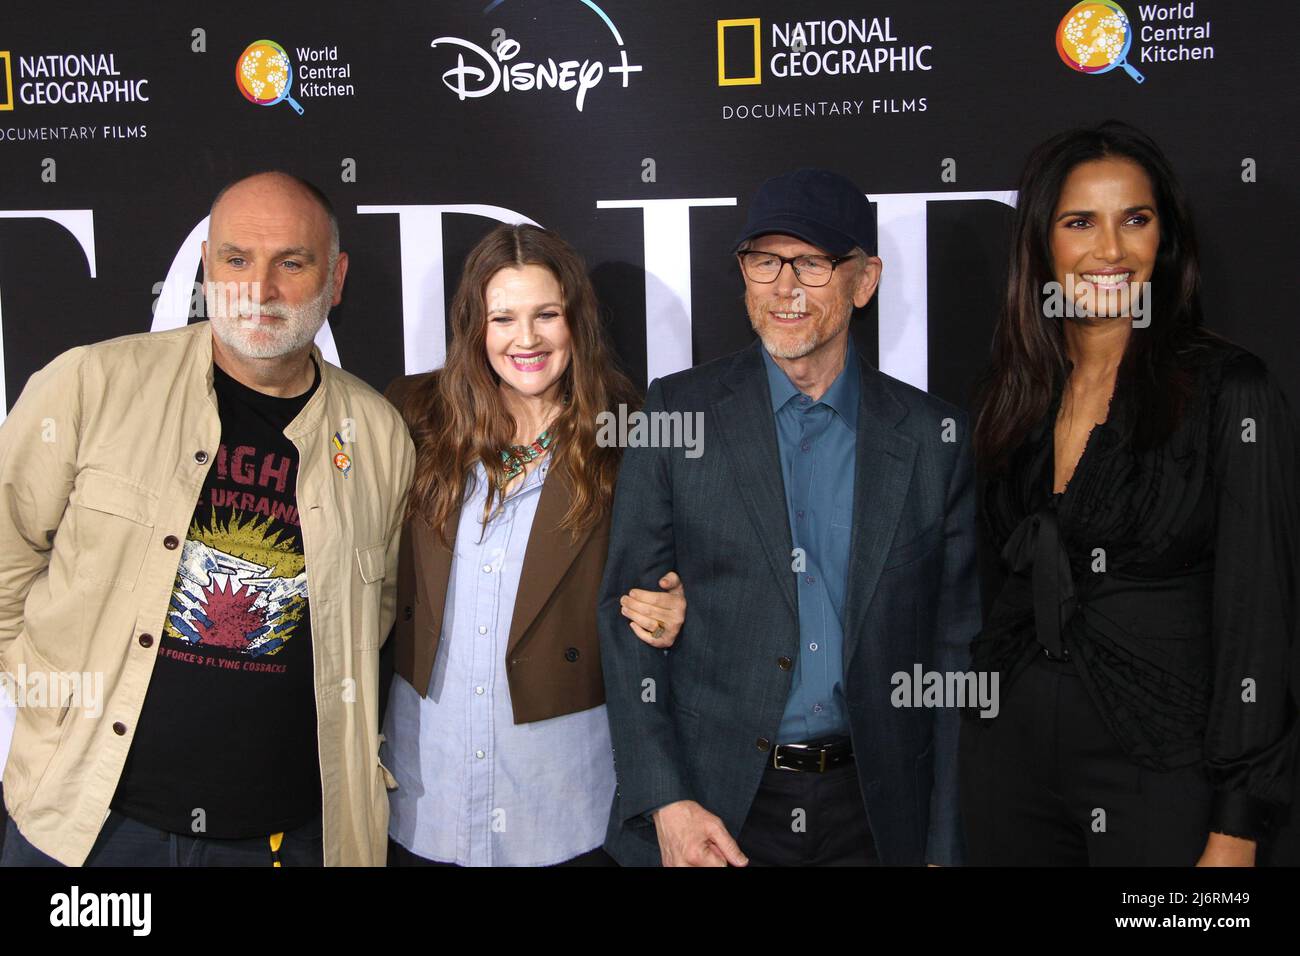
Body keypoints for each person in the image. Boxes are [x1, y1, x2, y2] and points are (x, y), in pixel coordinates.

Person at [0, 171, 414, 866]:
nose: (260, 290)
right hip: (89, 827)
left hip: (288, 837)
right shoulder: (89, 386)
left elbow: (380, 616)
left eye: (292, 262)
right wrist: (50, 698)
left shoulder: (377, 435)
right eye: (236, 260)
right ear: (205, 268)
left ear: (334, 278)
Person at [599, 168, 981, 866]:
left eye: (811, 261)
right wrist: (667, 800)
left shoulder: (934, 440)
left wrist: (943, 843)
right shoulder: (677, 414)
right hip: (719, 806)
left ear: (864, 281)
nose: (785, 286)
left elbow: (955, 655)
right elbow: (629, 623)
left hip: (878, 809)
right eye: (764, 260)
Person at [962, 121, 1299, 866]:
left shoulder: (1229, 392)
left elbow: (1259, 620)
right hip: (1007, 761)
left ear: (1166, 239)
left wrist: (1238, 823)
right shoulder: (1013, 399)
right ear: (1042, 245)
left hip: (1165, 768)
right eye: (1080, 221)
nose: (1109, 250)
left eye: (1135, 219)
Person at [381, 223, 687, 866]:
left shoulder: (629, 436)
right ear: (475, 327)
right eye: (503, 318)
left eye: (547, 314)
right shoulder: (414, 415)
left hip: (562, 804)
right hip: (423, 798)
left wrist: (679, 604)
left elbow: (685, 569)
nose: (527, 339)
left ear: (577, 322)